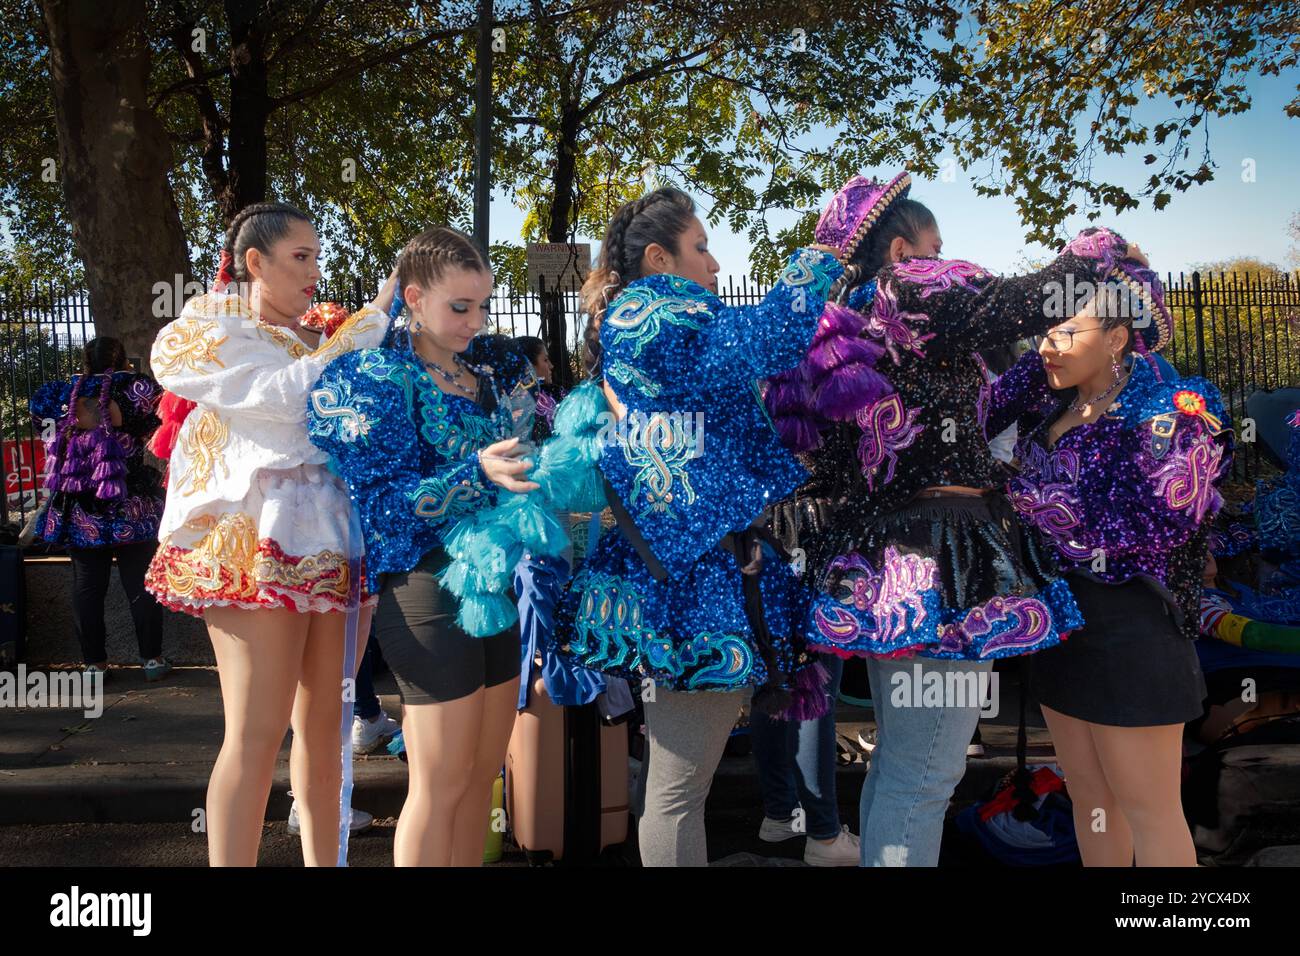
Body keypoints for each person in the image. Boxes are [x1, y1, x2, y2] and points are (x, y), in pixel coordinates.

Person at [771, 170, 1151, 866]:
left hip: (894, 558)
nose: (946, 259)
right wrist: (1093, 253)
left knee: (900, 767)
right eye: (934, 245)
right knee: (923, 776)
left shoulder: (852, 325)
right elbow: (1014, 303)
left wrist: (1040, 370)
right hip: (941, 562)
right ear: (898, 254)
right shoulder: (907, 291)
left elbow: (973, 414)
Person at [551, 185, 846, 866]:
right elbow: (769, 337)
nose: (715, 266)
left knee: (677, 784)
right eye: (703, 248)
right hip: (694, 581)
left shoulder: (643, 323)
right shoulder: (655, 313)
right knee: (680, 789)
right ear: (660, 257)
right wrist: (822, 256)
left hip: (690, 571)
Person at [307, 226, 586, 866]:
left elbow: (530, 454)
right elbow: (382, 506)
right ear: (413, 296)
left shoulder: (489, 372)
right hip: (428, 589)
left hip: (501, 588)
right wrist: (474, 475)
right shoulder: (379, 376)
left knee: (479, 778)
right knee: (438, 784)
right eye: (460, 306)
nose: (475, 321)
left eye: (483, 306)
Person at [146, 201, 396, 866]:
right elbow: (289, 403)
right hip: (252, 548)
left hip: (336, 544)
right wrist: (371, 320)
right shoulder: (206, 333)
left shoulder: (317, 338)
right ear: (255, 262)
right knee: (256, 736)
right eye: (301, 257)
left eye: (318, 256)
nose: (316, 271)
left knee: (329, 734)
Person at [982, 266, 1232, 865]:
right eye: (1043, 331)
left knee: (1150, 810)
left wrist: (1030, 505)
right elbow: (986, 417)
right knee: (1091, 799)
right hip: (1062, 626)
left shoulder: (1174, 404)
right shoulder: (1056, 405)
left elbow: (1167, 515)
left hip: (1131, 626)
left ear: (1117, 337)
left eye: (1066, 331)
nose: (1046, 345)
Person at [30, 337, 167, 679]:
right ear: (123, 361)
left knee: (87, 586)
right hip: (132, 504)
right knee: (140, 583)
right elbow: (157, 425)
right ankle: (151, 660)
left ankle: (93, 664)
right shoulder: (137, 387)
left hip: (80, 507)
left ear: (85, 360)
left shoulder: (58, 395)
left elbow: (44, 430)